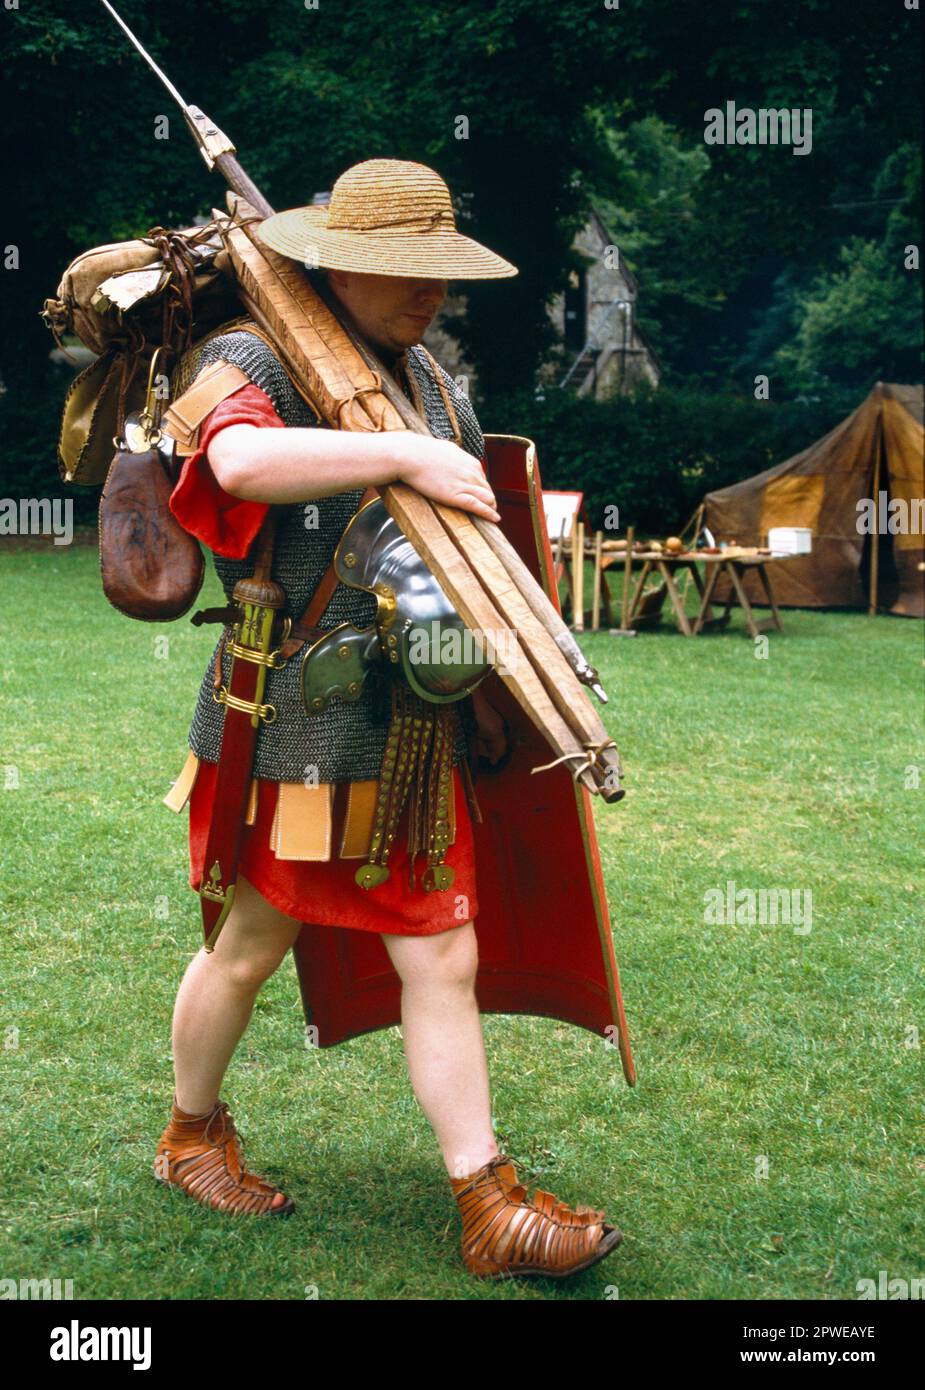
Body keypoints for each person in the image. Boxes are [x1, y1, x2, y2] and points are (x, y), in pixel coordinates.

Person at [155, 159, 622, 1279]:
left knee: (441, 947)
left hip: (415, 725)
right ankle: (188, 1134)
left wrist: (500, 690)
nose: (431, 297)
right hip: (295, 720)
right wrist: (405, 450)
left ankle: (487, 1198)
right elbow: (238, 460)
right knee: (248, 946)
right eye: (408, 273)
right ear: (341, 262)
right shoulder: (249, 355)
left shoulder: (438, 384)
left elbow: (458, 561)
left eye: (439, 275)